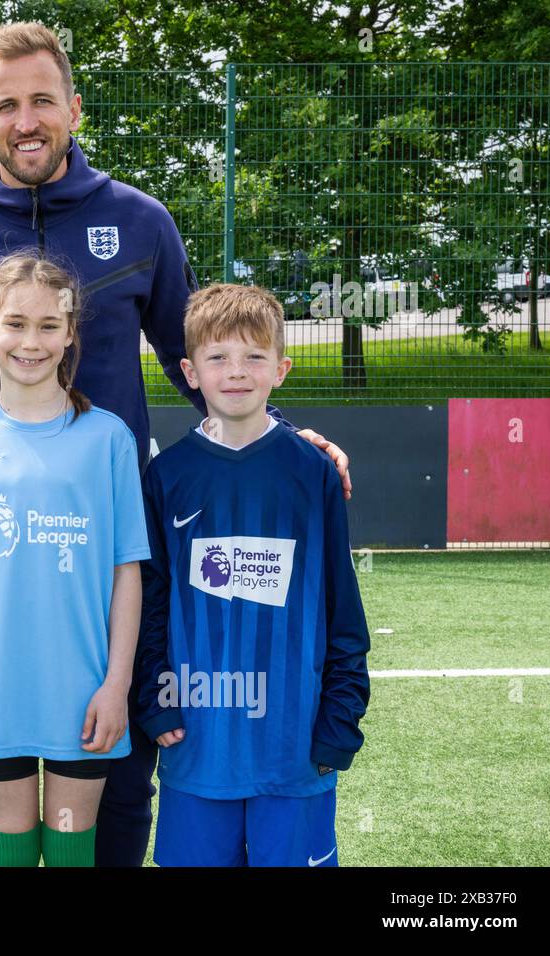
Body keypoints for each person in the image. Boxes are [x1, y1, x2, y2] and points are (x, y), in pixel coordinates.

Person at [0, 19, 353, 868]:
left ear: (73, 106)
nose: (26, 119)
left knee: (115, 770)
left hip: (107, 531)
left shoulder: (139, 221)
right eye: (7, 104)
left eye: (42, 100)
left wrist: (287, 438)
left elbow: (200, 363)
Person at [0, 253, 149, 867]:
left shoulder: (109, 439)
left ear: (71, 333)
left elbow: (128, 573)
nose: (32, 341)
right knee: (10, 855)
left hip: (84, 697)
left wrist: (117, 684)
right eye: (16, 323)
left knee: (72, 852)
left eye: (50, 325)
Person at [134, 283, 370, 866]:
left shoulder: (311, 471)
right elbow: (150, 601)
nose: (235, 372)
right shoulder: (167, 475)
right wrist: (157, 701)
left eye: (253, 357)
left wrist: (339, 720)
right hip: (197, 748)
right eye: (217, 358)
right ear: (189, 371)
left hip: (293, 753)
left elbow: (342, 605)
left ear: (281, 369)